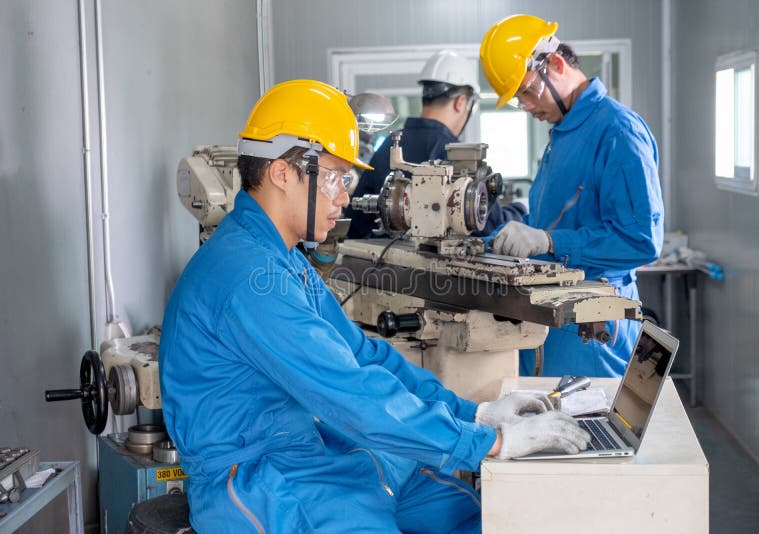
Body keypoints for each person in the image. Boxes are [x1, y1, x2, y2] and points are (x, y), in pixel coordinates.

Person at [159, 79, 590, 533]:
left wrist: (476, 415)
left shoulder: (282, 258)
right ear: (281, 173)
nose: (344, 196)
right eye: (333, 178)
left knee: (484, 518)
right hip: (261, 481)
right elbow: (349, 394)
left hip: (315, 451)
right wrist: (492, 442)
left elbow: (365, 358)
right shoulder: (247, 277)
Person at [480, 15, 664, 378]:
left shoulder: (617, 131)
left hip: (590, 332)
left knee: (591, 432)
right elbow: (554, 222)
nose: (527, 107)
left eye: (527, 91)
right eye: (519, 99)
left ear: (557, 64)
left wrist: (547, 239)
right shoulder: (563, 133)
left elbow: (640, 240)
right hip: (548, 323)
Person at [346, 50, 527, 238]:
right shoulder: (459, 157)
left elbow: (355, 225)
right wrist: (521, 209)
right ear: (461, 102)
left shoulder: (388, 149)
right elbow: (489, 228)